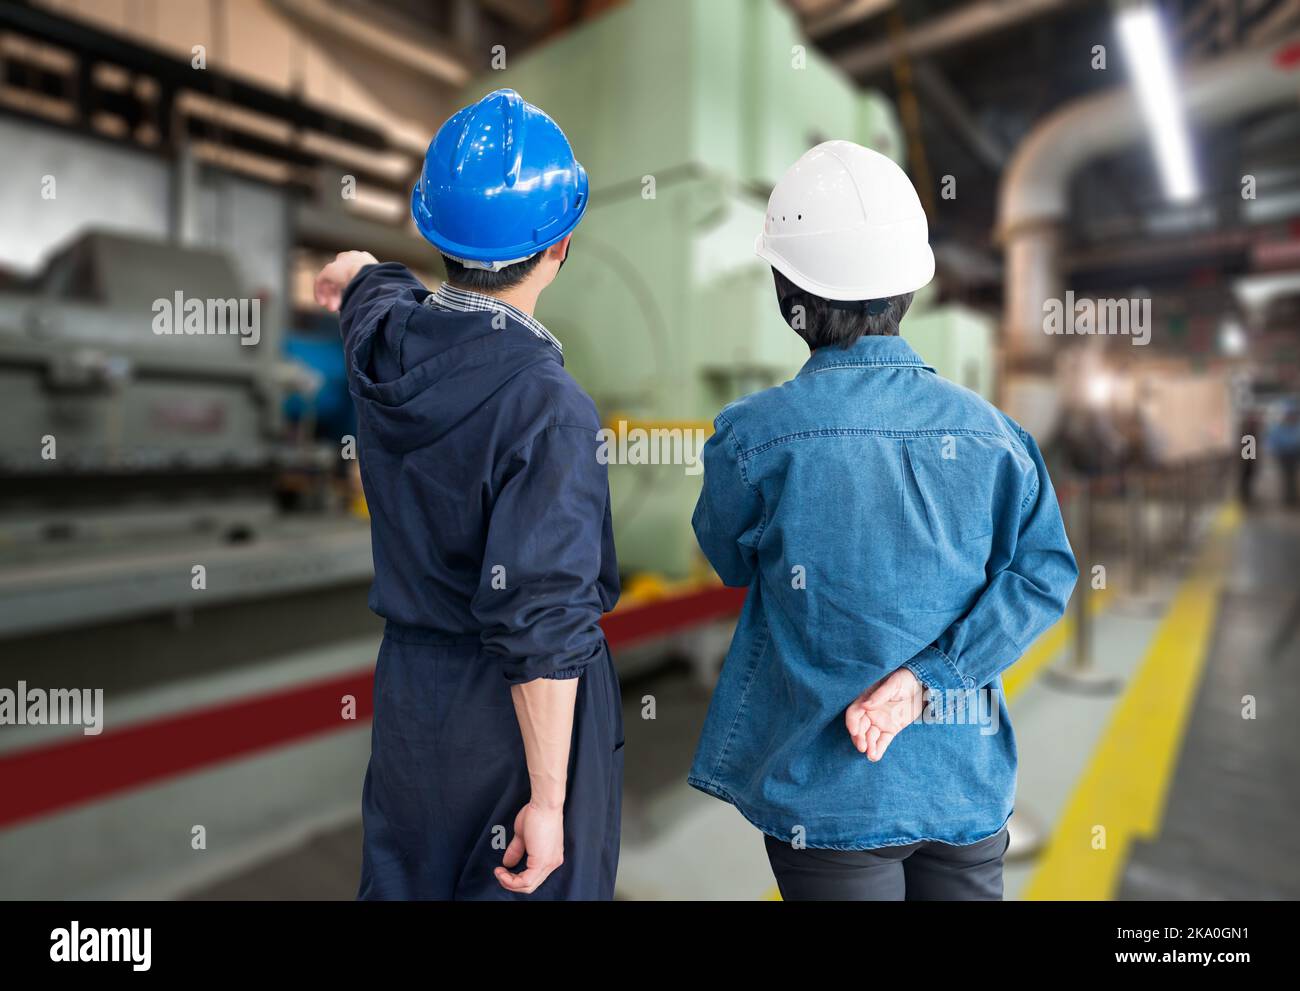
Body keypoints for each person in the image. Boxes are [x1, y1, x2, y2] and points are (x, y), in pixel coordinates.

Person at [688, 141, 1078, 901]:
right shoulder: (998, 438)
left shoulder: (753, 437)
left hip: (827, 794)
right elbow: (1045, 572)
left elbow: (731, 562)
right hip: (962, 781)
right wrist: (931, 680)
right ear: (907, 287)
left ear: (786, 292)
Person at [313, 89, 622, 900]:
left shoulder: (381, 338)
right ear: (559, 246)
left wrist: (346, 274)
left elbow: (367, 283)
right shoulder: (548, 407)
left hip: (411, 705)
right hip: (507, 718)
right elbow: (542, 620)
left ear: (435, 234)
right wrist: (549, 801)